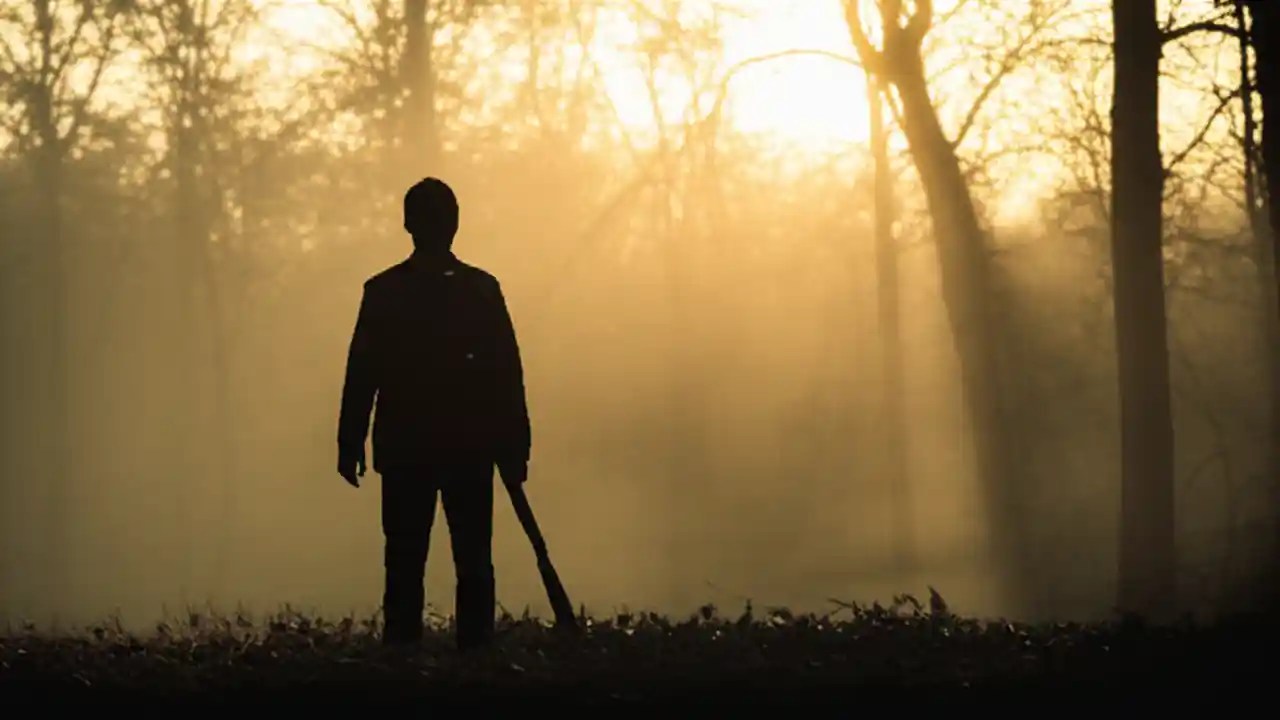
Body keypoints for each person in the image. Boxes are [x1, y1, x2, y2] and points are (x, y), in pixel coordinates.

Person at [336, 177, 531, 651]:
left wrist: (350, 441)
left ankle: (403, 652)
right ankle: (476, 654)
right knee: (472, 558)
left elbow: (363, 372)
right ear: (455, 223)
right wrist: (514, 445)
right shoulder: (482, 291)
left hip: (407, 447)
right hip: (469, 446)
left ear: (407, 223)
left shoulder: (383, 291)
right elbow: (507, 376)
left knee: (404, 557)